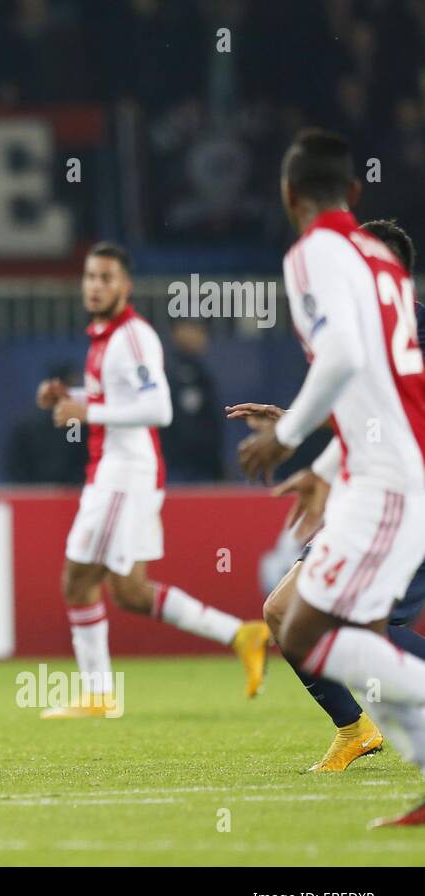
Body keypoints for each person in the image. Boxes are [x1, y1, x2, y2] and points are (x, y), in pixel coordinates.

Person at [236, 130, 425, 827]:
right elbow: (376, 391)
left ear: (289, 195)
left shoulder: (316, 254)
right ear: (353, 192)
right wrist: (321, 465)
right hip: (386, 468)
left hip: (391, 479)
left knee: (310, 626)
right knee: (331, 626)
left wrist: (285, 439)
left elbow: (343, 357)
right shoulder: (378, 261)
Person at [36, 242, 269, 718]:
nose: (96, 286)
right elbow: (117, 396)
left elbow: (158, 407)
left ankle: (99, 695)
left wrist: (89, 409)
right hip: (119, 471)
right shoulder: (104, 337)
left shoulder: (134, 337)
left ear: (125, 285)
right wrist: (71, 395)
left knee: (77, 580)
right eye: (90, 277)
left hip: (123, 474)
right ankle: (240, 634)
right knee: (129, 591)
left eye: (106, 278)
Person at [162, 316, 225, 481]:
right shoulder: (165, 368)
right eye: (195, 328)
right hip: (176, 470)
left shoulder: (199, 370)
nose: (201, 335)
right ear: (178, 330)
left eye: (203, 329)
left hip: (200, 470)